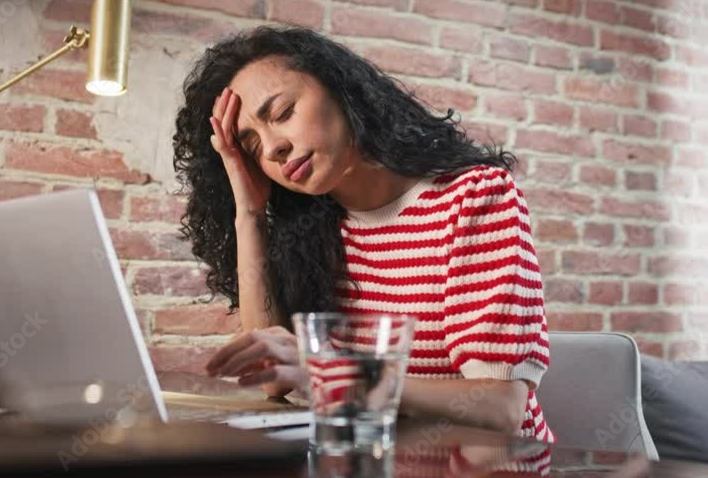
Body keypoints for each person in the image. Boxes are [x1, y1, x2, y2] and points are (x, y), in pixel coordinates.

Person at [172, 25, 553, 441]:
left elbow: (501, 407)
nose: (273, 148)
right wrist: (249, 214)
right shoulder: (313, 230)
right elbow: (275, 381)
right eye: (251, 147)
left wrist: (333, 377)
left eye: (281, 114)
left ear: (341, 90)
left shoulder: (473, 197)